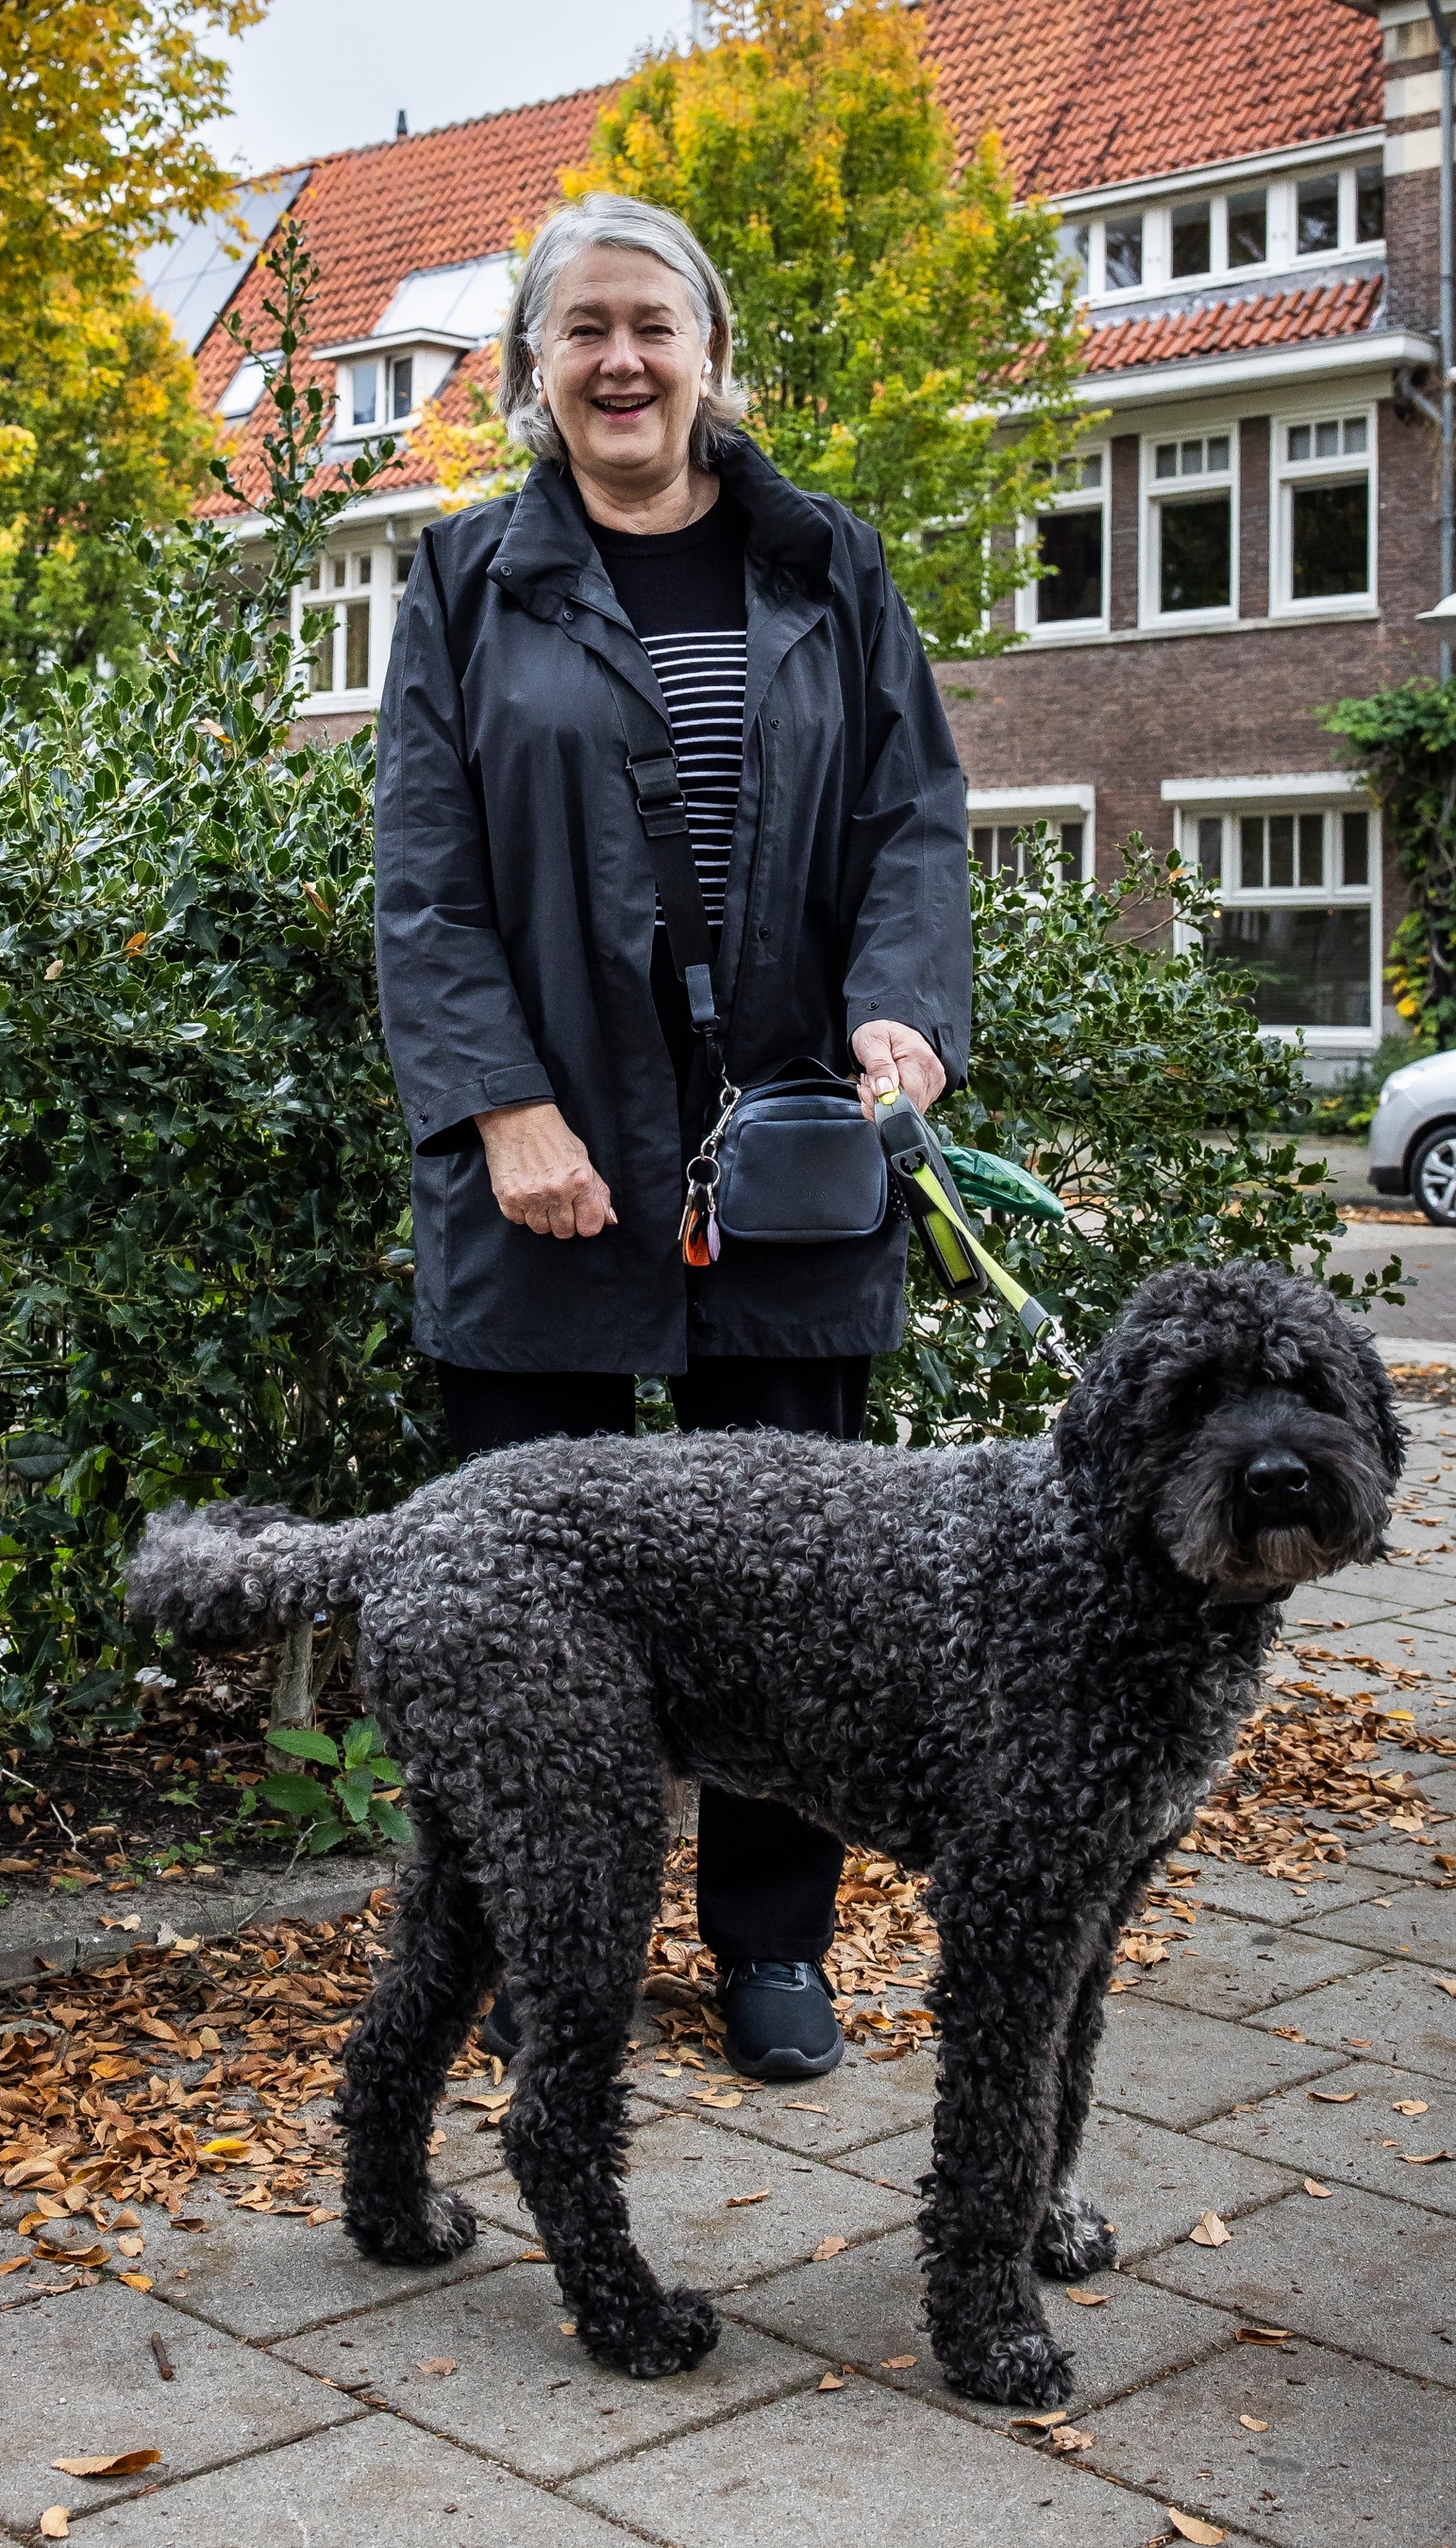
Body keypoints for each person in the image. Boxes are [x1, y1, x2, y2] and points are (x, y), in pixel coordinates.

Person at [374, 192, 972, 2079]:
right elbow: (424, 877)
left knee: (796, 1587)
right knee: (521, 1601)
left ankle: (771, 1948)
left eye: (652, 323)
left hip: (789, 1150)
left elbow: (911, 821)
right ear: (537, 370)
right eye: (581, 330)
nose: (619, 360)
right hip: (547, 1162)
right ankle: (526, 1948)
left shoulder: (825, 563)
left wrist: (903, 1015)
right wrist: (502, 1106)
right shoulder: (464, 579)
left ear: (713, 353)